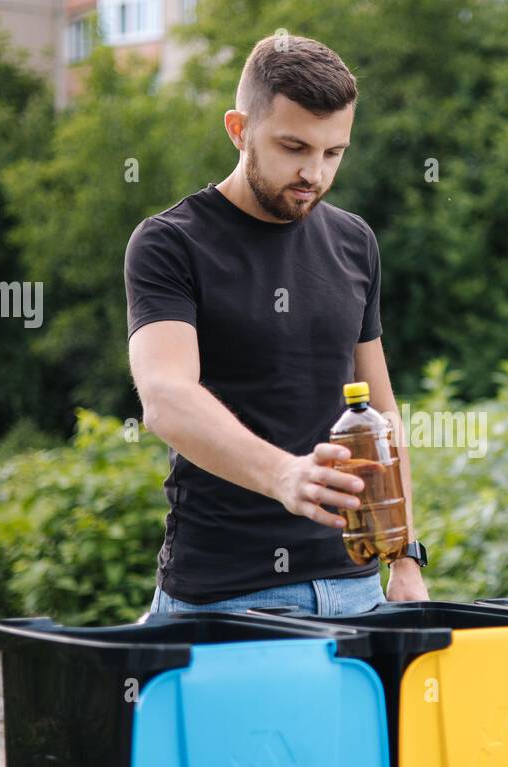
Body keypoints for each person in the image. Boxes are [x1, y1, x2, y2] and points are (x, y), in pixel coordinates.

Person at [126, 34, 430, 618]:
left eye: (333, 153)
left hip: (356, 591)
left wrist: (404, 557)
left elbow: (384, 413)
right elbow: (166, 397)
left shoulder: (354, 241)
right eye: (294, 147)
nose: (313, 173)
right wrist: (283, 475)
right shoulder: (170, 243)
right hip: (225, 596)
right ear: (238, 130)